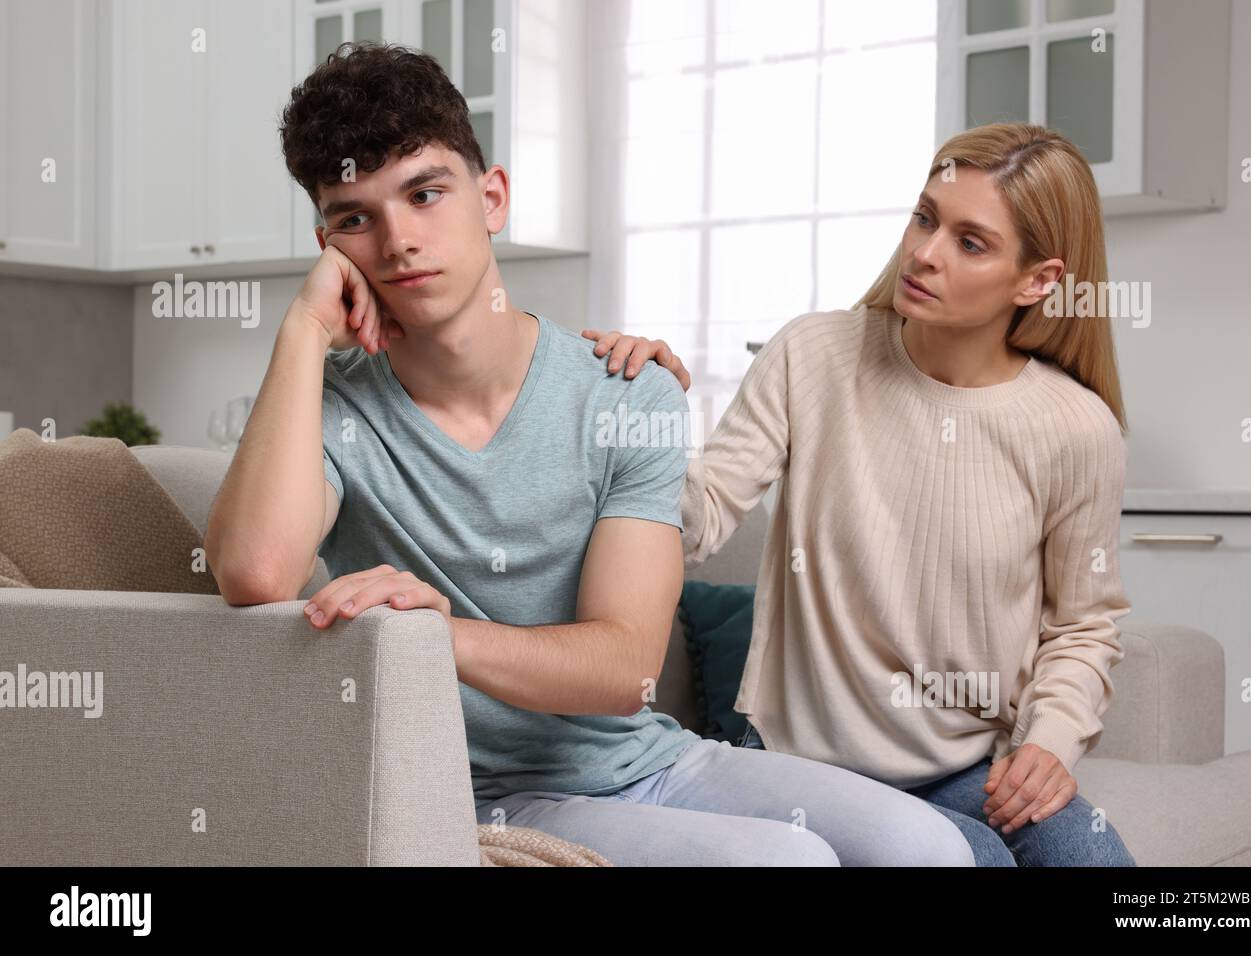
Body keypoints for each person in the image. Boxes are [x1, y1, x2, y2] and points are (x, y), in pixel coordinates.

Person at [202, 42, 975, 867]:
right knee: (792, 865)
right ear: (330, 244)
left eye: (425, 193)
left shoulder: (626, 393)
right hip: (482, 791)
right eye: (356, 218)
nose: (397, 241)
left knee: (926, 848)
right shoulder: (335, 410)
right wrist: (304, 329)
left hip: (648, 761)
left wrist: (438, 633)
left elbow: (623, 665)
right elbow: (255, 575)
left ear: (491, 197)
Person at [583, 122, 1138, 866]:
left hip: (968, 765)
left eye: (970, 243)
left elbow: (1083, 625)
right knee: (976, 860)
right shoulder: (814, 354)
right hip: (803, 762)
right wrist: (635, 415)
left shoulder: (1076, 429)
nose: (924, 253)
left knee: (1092, 859)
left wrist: (1049, 741)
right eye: (925, 217)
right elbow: (700, 514)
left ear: (1038, 280)